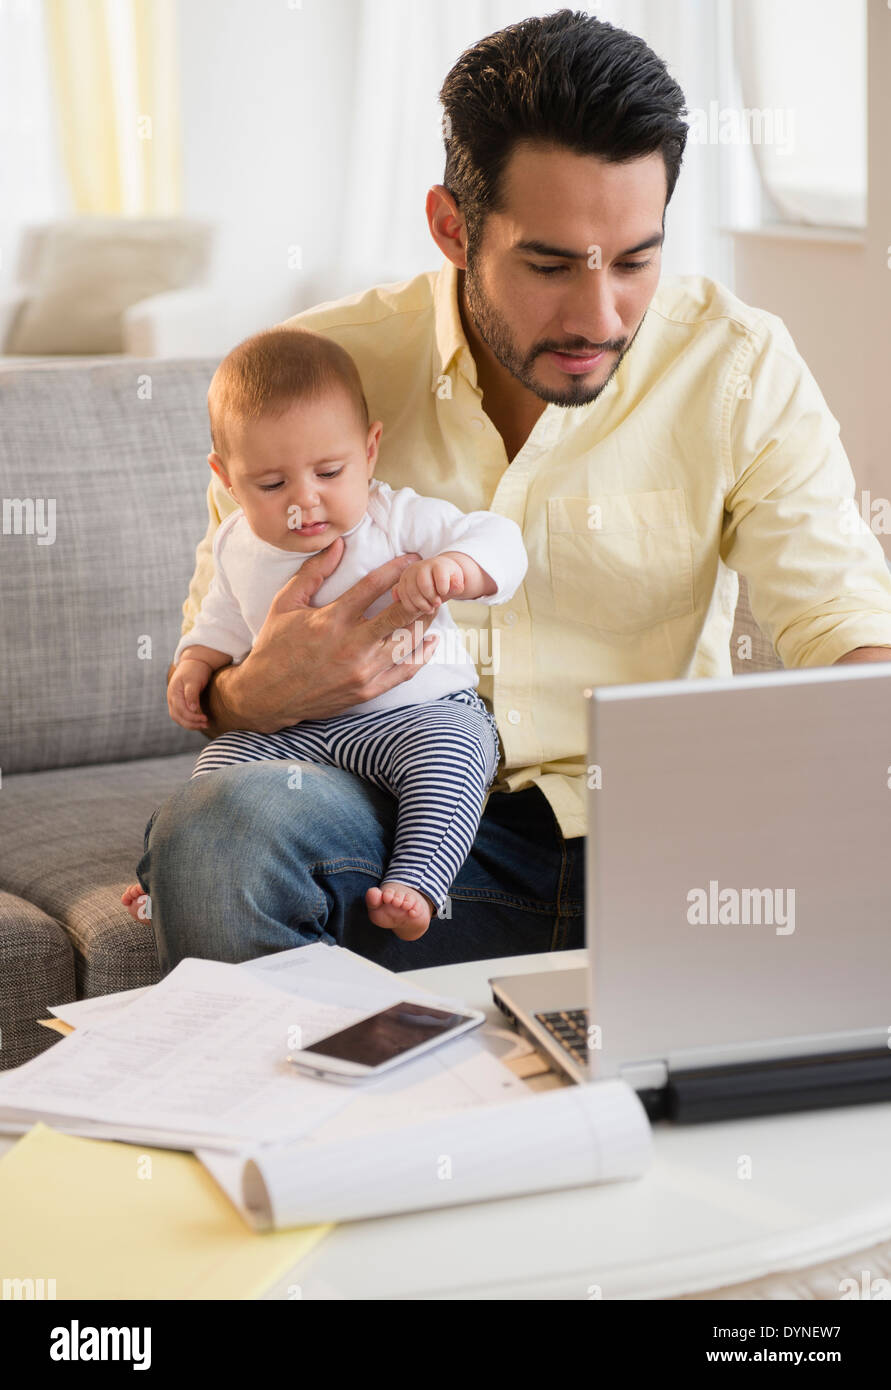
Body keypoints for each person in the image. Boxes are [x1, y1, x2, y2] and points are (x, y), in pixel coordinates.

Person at [138, 9, 891, 976]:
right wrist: (249, 696)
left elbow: (844, 622)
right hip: (395, 822)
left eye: (634, 260)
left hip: (657, 834)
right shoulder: (319, 381)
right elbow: (229, 658)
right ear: (453, 228)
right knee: (224, 825)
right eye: (548, 264)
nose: (598, 313)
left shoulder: (735, 365)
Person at [123, 327, 526, 940]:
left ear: (369, 451)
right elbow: (223, 619)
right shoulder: (237, 542)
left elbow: (499, 538)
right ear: (227, 479)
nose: (304, 502)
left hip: (418, 713)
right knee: (219, 767)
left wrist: (457, 569)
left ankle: (417, 881)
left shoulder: (394, 517)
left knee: (456, 757)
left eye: (330, 471)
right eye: (272, 484)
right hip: (297, 730)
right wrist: (194, 666)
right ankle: (167, 872)